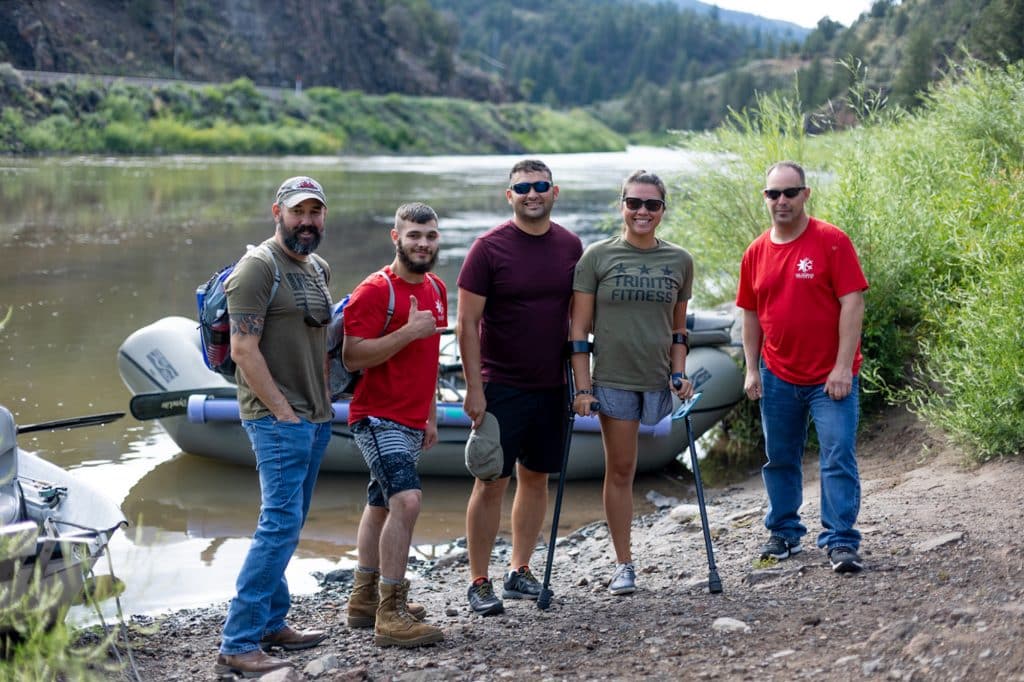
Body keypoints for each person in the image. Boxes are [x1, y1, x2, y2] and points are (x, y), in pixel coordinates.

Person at [214, 176, 334, 678]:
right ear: (277, 212)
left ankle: (271, 624)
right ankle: (237, 642)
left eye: (314, 212)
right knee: (278, 526)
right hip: (276, 418)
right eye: (297, 212)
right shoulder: (257, 268)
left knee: (288, 524)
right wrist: (284, 412)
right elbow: (243, 350)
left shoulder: (318, 267)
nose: (306, 222)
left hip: (315, 416)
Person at [456, 159, 583, 616]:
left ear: (555, 192)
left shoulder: (571, 245)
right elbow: (466, 323)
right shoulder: (487, 249)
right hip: (500, 385)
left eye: (540, 186)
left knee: (535, 478)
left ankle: (519, 570)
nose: (532, 193)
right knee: (491, 480)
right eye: (523, 187)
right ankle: (478, 580)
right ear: (508, 195)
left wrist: (581, 380)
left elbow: (579, 318)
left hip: (552, 386)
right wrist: (475, 389)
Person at [736, 160, 869, 574]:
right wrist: (751, 369)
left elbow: (853, 302)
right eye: (773, 194)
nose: (781, 201)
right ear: (765, 198)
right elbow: (751, 314)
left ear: (805, 194)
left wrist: (843, 367)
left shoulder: (831, 241)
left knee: (837, 454)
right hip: (777, 375)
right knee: (779, 458)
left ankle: (841, 541)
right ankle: (784, 532)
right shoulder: (756, 252)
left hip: (830, 378)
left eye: (789, 193)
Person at [569, 170, 695, 596]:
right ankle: (624, 563)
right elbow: (578, 332)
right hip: (614, 380)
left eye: (652, 204)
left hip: (658, 380)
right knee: (621, 469)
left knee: (631, 467)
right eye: (634, 203)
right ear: (621, 205)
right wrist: (583, 388)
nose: (643, 212)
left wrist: (679, 371)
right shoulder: (597, 257)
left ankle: (627, 557)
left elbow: (679, 329)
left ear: (663, 209)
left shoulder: (679, 260)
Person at [342, 203, 447, 648]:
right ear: (396, 238)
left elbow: (429, 359)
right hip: (376, 416)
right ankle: (391, 612)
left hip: (410, 417)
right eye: (414, 236)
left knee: (381, 504)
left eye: (430, 236)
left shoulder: (438, 288)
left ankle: (363, 600)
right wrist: (407, 330)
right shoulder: (373, 291)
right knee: (406, 500)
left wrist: (431, 413)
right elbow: (352, 356)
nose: (422, 244)